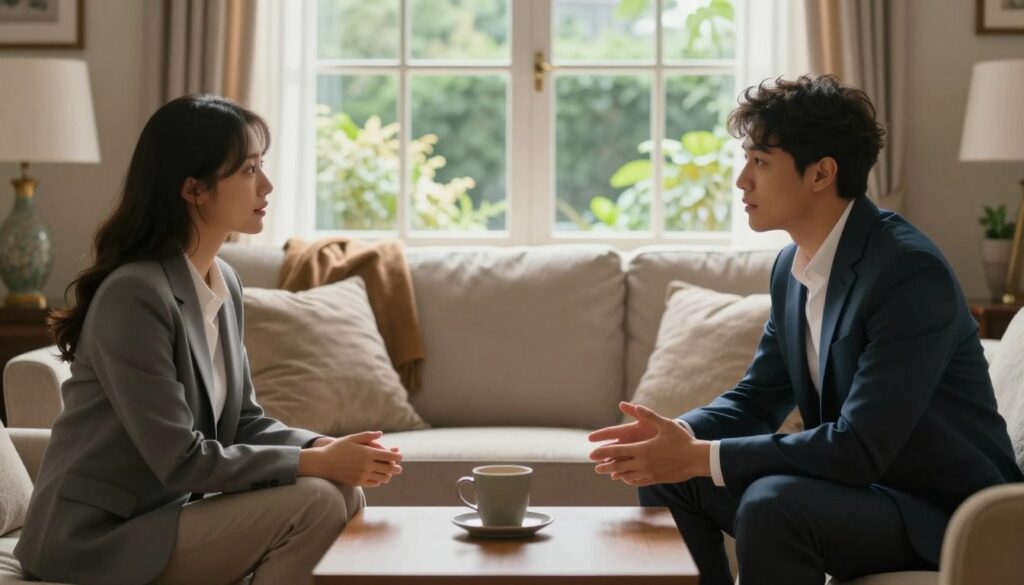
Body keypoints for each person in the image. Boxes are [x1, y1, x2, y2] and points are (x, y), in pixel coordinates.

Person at [588, 75, 1022, 585]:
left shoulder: (908, 272)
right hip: (864, 496)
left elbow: (859, 447)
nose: (741, 181)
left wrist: (700, 456)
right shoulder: (792, 268)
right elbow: (757, 398)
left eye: (761, 163)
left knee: (774, 504)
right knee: (669, 479)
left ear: (821, 174)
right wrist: (678, 436)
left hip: (945, 515)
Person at [15, 94, 404, 585]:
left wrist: (326, 447)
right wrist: (314, 461)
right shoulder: (134, 295)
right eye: (247, 170)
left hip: (162, 518)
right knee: (316, 499)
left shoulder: (222, 279)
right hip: (95, 538)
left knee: (340, 490)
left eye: (262, 166)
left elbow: (241, 420)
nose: (267, 185)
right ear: (194, 189)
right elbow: (180, 460)